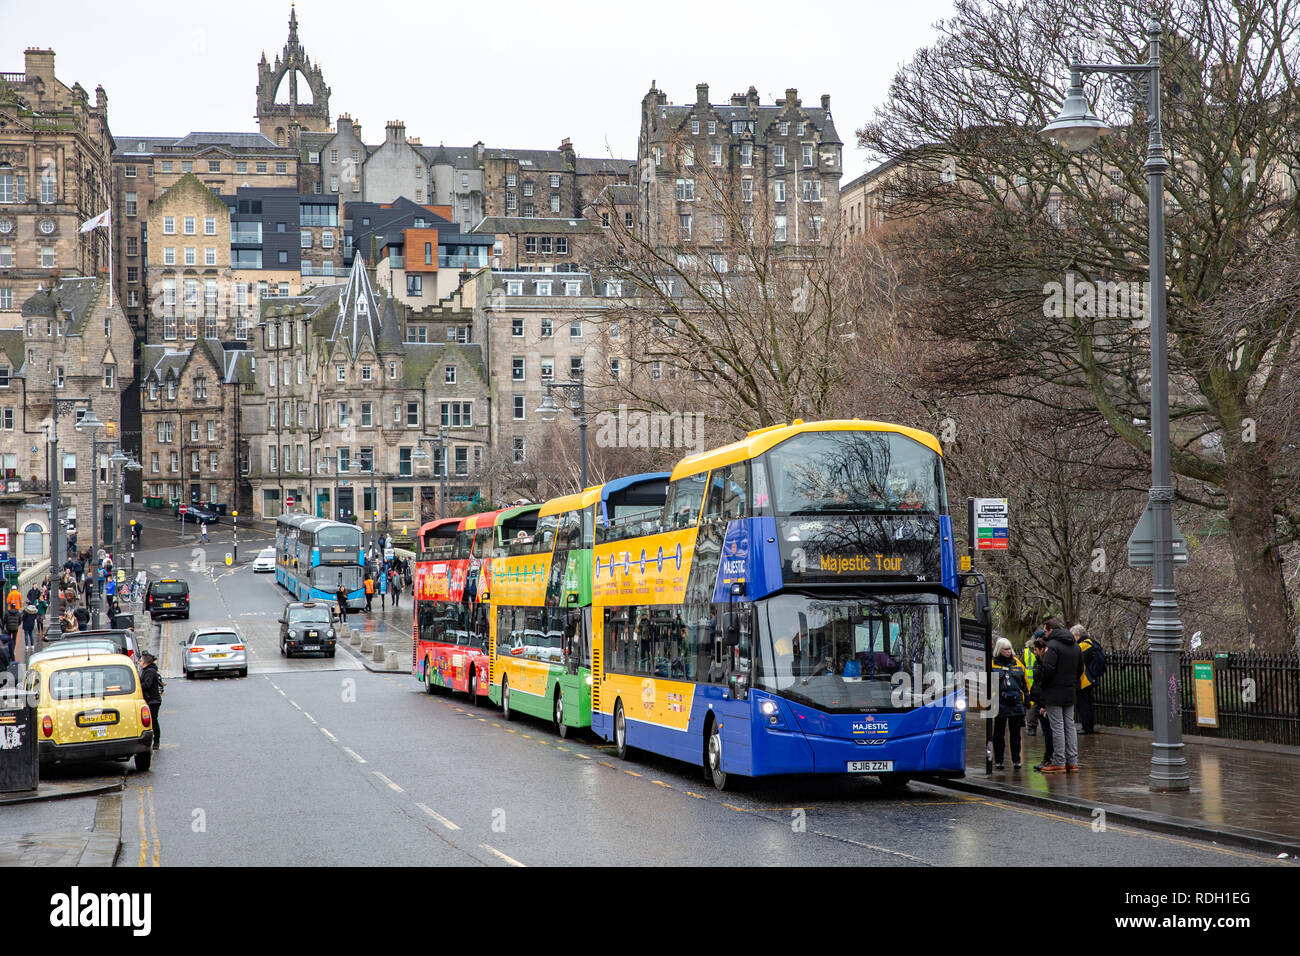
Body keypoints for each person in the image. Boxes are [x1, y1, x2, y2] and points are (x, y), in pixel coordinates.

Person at [1036, 617, 1083, 773]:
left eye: (1045, 630)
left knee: (1057, 727)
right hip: (1069, 690)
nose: (1045, 634)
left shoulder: (1052, 646)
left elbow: (1048, 669)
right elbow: (1080, 669)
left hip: (1054, 691)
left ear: (1050, 629)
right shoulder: (1075, 646)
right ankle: (1072, 761)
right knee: (1070, 726)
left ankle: (1058, 761)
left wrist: (1042, 684)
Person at [991, 637, 1028, 769]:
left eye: (1009, 649)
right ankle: (999, 760)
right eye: (1005, 649)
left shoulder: (1017, 664)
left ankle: (1016, 759)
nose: (1008, 651)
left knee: (1016, 735)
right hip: (999, 704)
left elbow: (1025, 684)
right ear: (999, 650)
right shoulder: (992, 664)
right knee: (999, 734)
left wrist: (1027, 701)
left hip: (1016, 703)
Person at [1073, 624, 1098, 734]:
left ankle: (1087, 726)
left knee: (1083, 704)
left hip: (1084, 679)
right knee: (1087, 703)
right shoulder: (1091, 642)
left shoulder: (1083, 646)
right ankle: (1088, 725)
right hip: (1090, 677)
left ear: (1077, 635)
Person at [139, 653, 163, 751]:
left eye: (140, 661)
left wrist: (138, 686)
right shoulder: (147, 670)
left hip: (153, 701)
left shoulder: (149, 671)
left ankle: (156, 741)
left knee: (153, 721)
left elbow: (147, 685)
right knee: (152, 721)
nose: (139, 662)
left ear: (144, 662)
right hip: (150, 700)